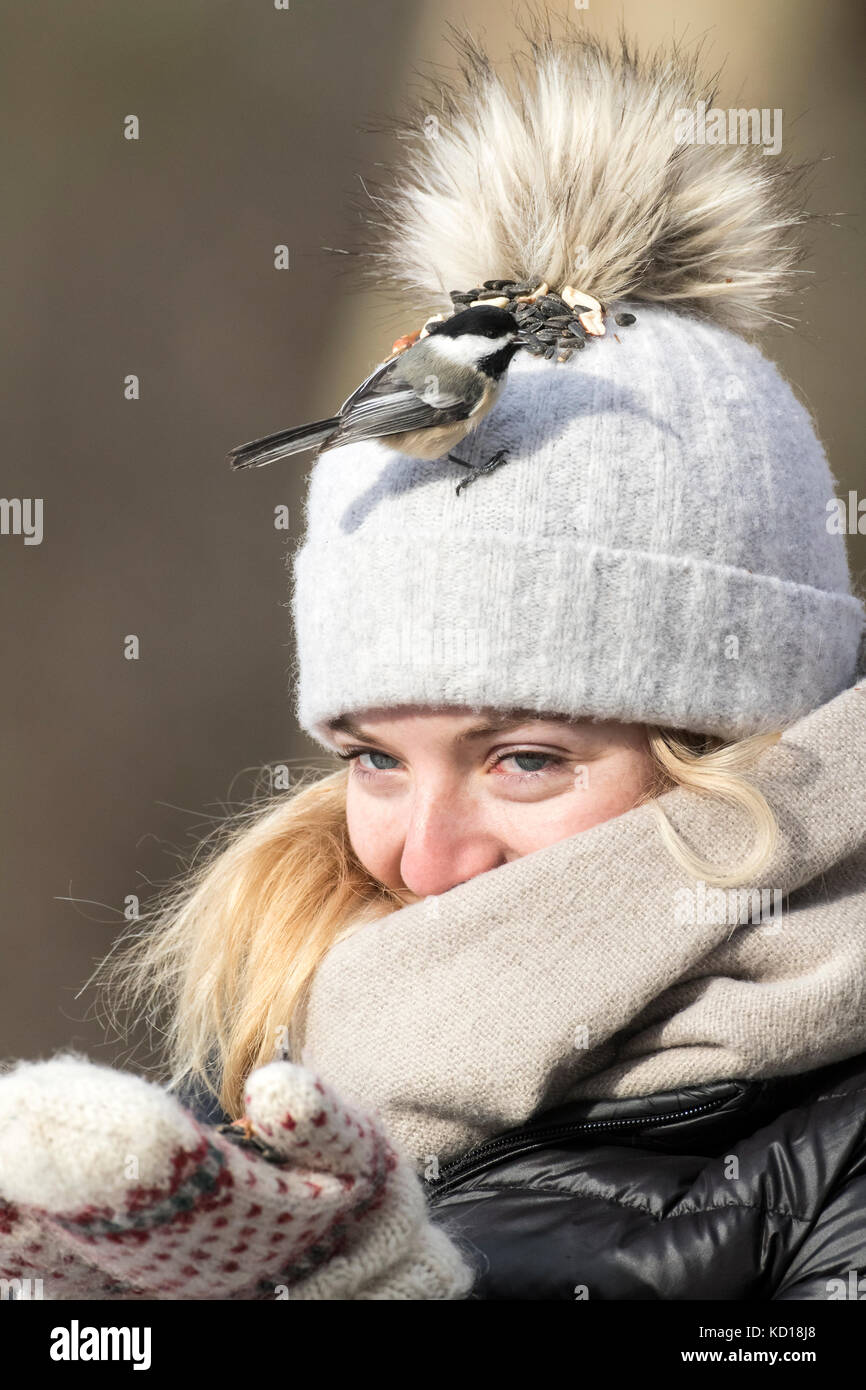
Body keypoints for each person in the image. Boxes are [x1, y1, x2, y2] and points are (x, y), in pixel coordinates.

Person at [1, 21, 865, 1302]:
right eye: (371, 758)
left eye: (523, 757)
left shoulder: (829, 1148)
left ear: (754, 759)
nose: (421, 859)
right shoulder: (261, 1089)